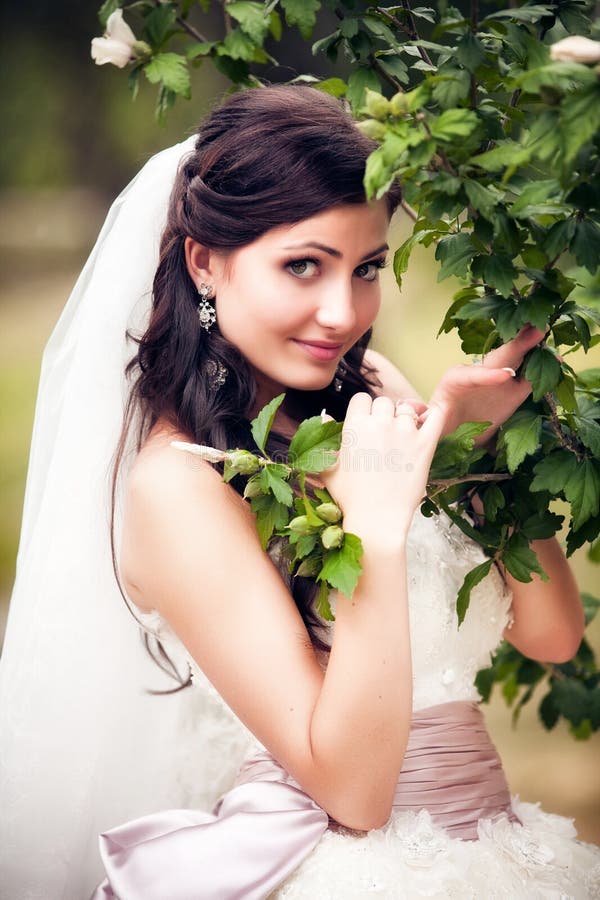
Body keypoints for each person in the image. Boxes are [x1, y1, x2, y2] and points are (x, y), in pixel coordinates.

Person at [0, 86, 598, 900]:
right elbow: (353, 793)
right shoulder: (182, 486)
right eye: (303, 266)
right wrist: (378, 537)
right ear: (204, 261)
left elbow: (554, 635)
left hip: (501, 849)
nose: (341, 312)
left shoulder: (369, 389)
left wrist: (482, 457)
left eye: (367, 269)